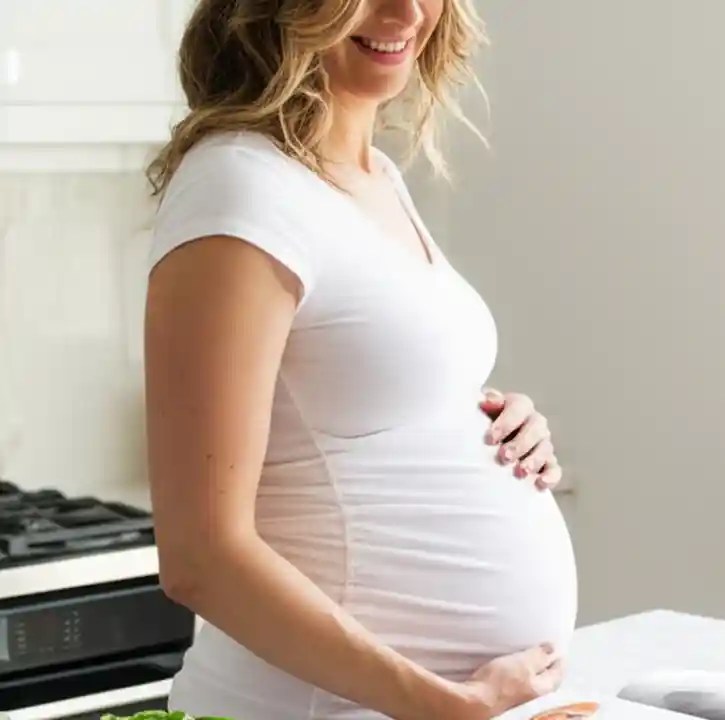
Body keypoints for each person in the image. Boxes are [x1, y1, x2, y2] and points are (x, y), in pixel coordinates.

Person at [142, 1, 578, 718]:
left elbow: (351, 386)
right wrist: (443, 703)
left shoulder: (371, 176)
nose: (406, 11)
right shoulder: (239, 187)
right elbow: (201, 558)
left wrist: (488, 416)